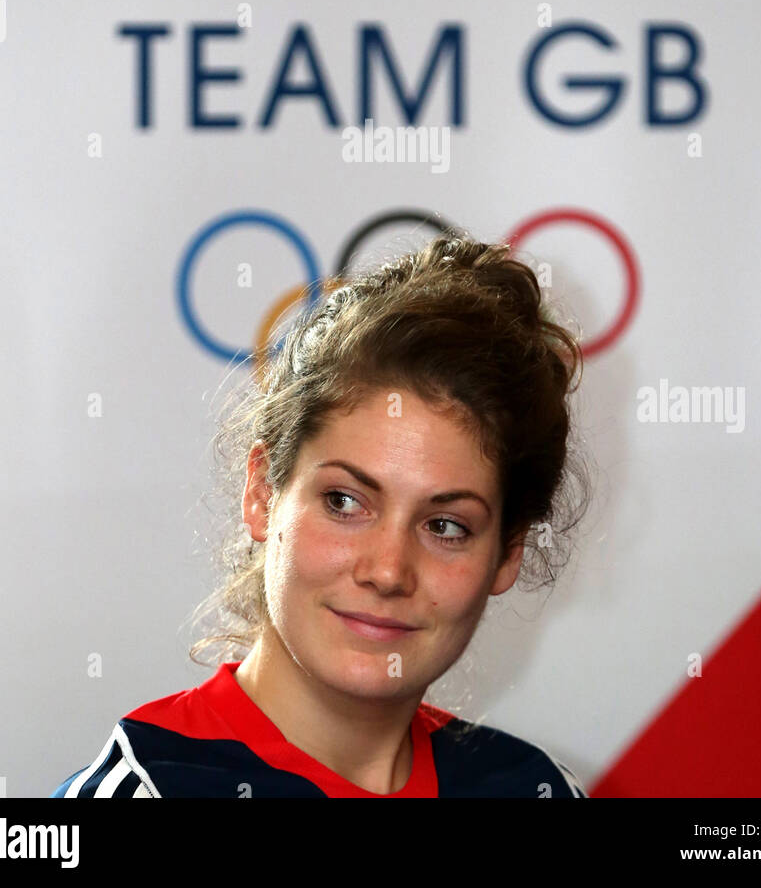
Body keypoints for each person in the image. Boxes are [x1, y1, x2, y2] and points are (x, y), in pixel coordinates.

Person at [51, 233, 590, 798]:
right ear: (262, 493)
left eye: (445, 526)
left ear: (508, 553)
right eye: (344, 502)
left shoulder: (535, 788)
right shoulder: (149, 789)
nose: (387, 572)